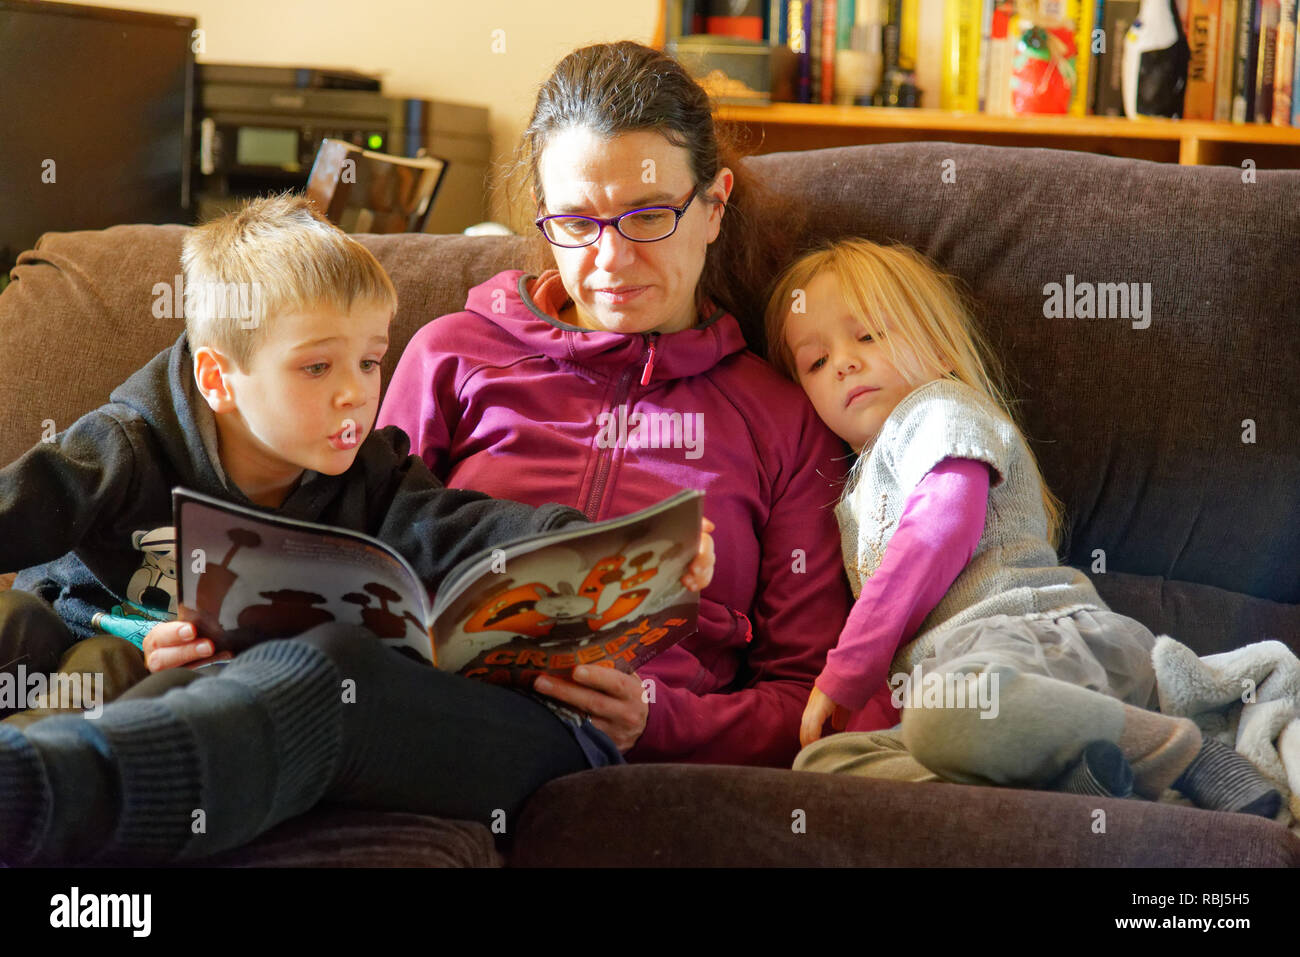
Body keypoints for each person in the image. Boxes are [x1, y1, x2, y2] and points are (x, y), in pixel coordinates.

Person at [0, 194, 715, 865]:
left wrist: (599, 547)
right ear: (218, 379)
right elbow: (26, 514)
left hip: (443, 704)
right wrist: (126, 636)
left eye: (371, 361)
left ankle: (36, 787)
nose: (355, 391)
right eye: (316, 367)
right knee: (30, 630)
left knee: (309, 663)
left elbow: (468, 527)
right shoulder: (130, 443)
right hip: (119, 658)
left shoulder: (374, 476)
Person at [375, 40, 853, 766]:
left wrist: (655, 720)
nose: (611, 261)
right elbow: (358, 540)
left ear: (714, 205)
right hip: (413, 696)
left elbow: (809, 697)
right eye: (576, 222)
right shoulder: (453, 354)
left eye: (648, 215)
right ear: (542, 215)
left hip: (584, 748)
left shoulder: (782, 421)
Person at [764, 237, 1281, 817]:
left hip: (1036, 643)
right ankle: (1073, 783)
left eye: (868, 335)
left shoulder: (938, 409)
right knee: (826, 765)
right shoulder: (858, 487)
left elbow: (938, 531)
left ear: (937, 348)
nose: (844, 362)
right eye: (815, 361)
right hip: (962, 693)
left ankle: (1183, 754)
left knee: (949, 711)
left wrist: (849, 670)